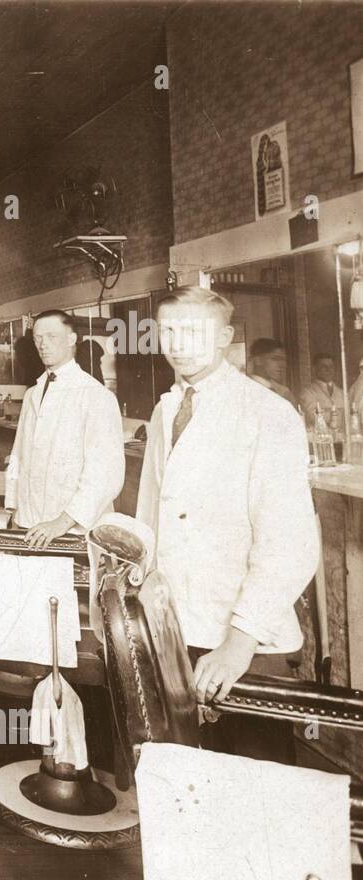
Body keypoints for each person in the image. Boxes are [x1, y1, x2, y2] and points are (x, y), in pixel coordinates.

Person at [136, 288, 317, 757]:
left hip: (247, 639)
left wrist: (239, 641)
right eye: (169, 330)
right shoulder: (166, 411)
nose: (179, 343)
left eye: (193, 331)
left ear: (225, 337)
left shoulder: (267, 414)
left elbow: (289, 544)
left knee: (255, 783)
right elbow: (150, 510)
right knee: (189, 772)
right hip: (179, 625)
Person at [5, 309, 125, 547]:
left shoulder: (96, 395)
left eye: (51, 336)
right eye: (38, 338)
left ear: (72, 339)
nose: (43, 344)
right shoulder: (33, 394)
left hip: (73, 529)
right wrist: (14, 509)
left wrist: (62, 522)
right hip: (30, 522)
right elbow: (19, 456)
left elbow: (105, 474)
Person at [245, 337, 297, 407]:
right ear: (258, 360)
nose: (282, 365)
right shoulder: (245, 389)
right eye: (275, 359)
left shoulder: (284, 391)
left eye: (284, 360)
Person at [300, 352, 345, 429]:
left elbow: (349, 416)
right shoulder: (307, 392)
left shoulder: (342, 392)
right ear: (315, 369)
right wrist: (339, 412)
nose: (328, 370)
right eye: (324, 366)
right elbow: (314, 417)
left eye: (331, 367)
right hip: (320, 438)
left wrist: (325, 410)